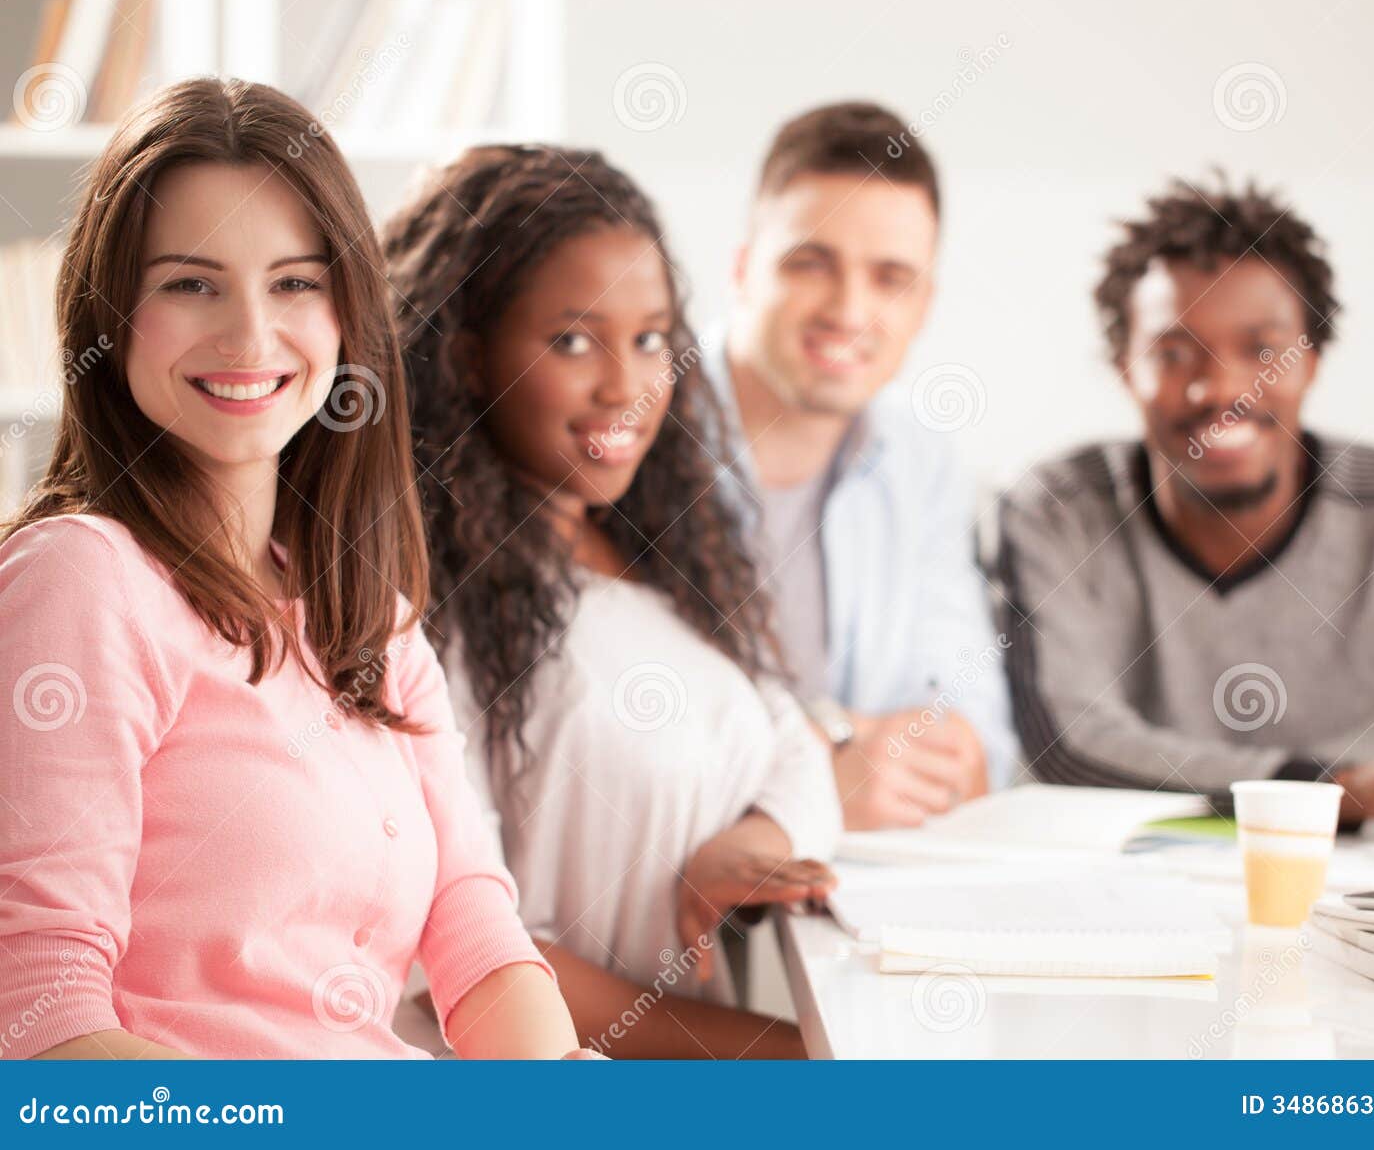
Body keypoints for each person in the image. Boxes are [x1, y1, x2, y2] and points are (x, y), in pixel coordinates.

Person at [0, 80, 588, 1059]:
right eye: (190, 283)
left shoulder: (370, 614)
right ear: (111, 315)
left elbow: (475, 928)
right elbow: (40, 1016)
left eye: (294, 283)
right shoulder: (80, 578)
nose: (249, 335)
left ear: (346, 312)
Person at [385, 144, 841, 1059]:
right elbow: (453, 949)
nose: (626, 386)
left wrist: (745, 841)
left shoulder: (658, 552)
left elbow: (796, 743)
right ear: (470, 358)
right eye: (572, 340)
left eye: (649, 339)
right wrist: (768, 1056)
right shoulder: (429, 602)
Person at [998, 179, 1374, 824]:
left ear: (1311, 362)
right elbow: (1068, 749)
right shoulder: (1057, 509)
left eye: (1262, 350)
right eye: (1173, 351)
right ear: (1125, 367)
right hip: (1117, 887)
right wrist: (1342, 792)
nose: (1220, 386)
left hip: (1357, 893)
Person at [704, 101, 1018, 830]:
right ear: (744, 269)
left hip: (857, 890)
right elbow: (633, 726)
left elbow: (975, 725)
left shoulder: (921, 456)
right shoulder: (635, 424)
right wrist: (825, 771)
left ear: (925, 304)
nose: (849, 310)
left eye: (890, 278)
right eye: (812, 263)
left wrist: (937, 754)